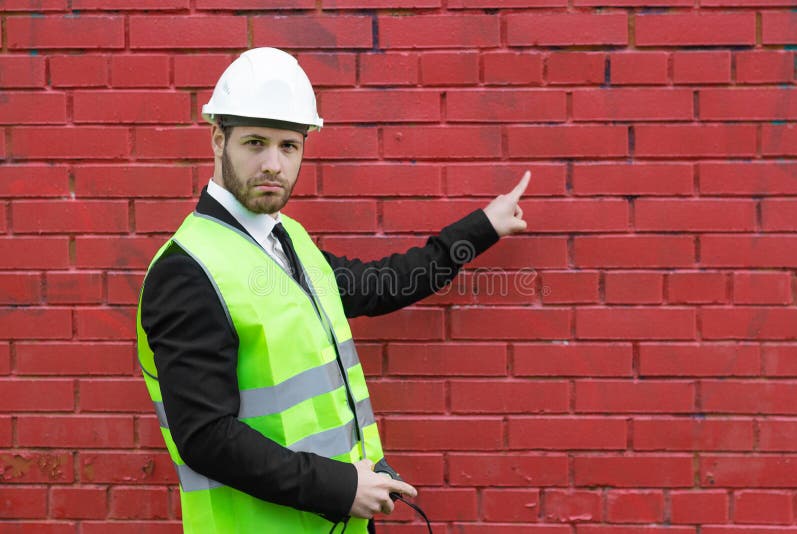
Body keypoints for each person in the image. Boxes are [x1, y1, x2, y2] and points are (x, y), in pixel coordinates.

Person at [136, 47, 530, 533]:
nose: (273, 165)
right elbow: (206, 437)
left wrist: (482, 229)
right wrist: (343, 488)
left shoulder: (289, 239)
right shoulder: (188, 270)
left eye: (288, 146)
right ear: (218, 139)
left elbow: (380, 285)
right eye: (255, 143)